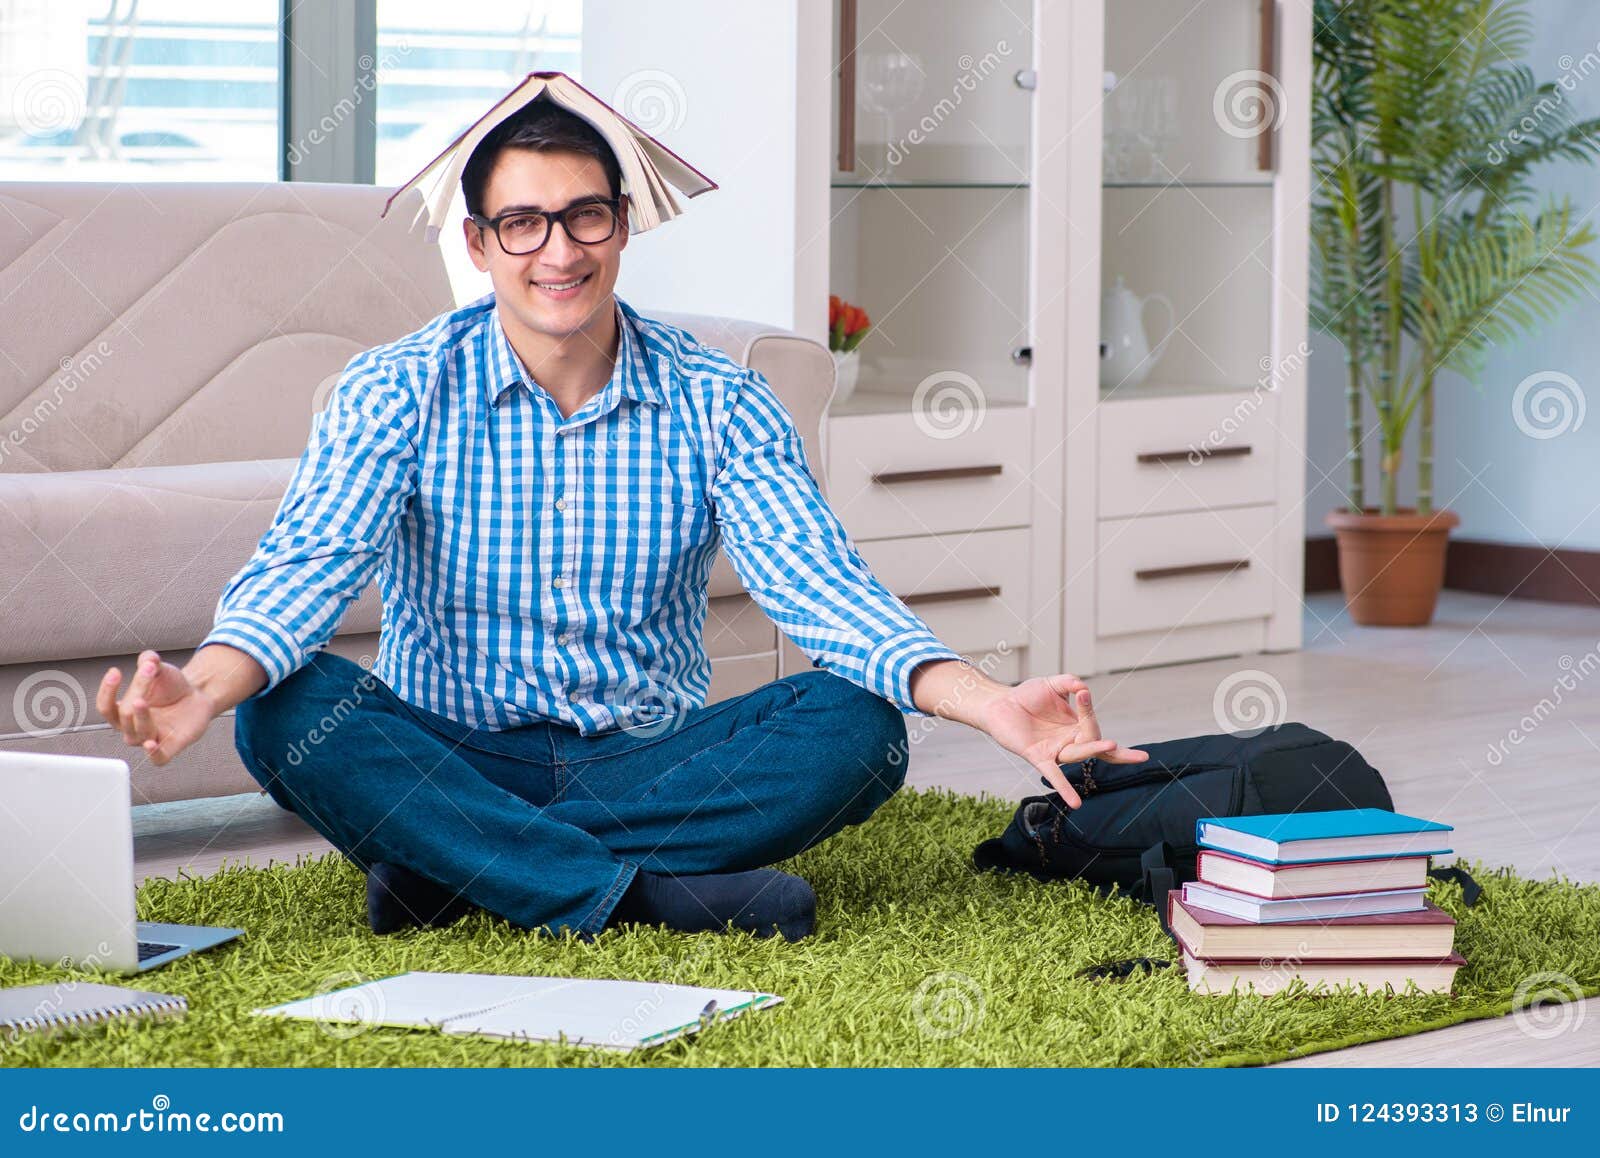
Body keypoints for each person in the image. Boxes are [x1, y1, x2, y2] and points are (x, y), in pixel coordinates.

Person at [95, 99, 1147, 943]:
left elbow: (820, 590)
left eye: (585, 215)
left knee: (859, 730)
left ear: (623, 223)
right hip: (456, 751)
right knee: (286, 710)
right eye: (523, 222)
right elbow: (304, 571)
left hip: (651, 756)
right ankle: (633, 897)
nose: (559, 250)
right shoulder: (395, 388)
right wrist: (203, 686)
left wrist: (988, 700)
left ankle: (453, 871)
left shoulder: (719, 398)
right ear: (478, 241)